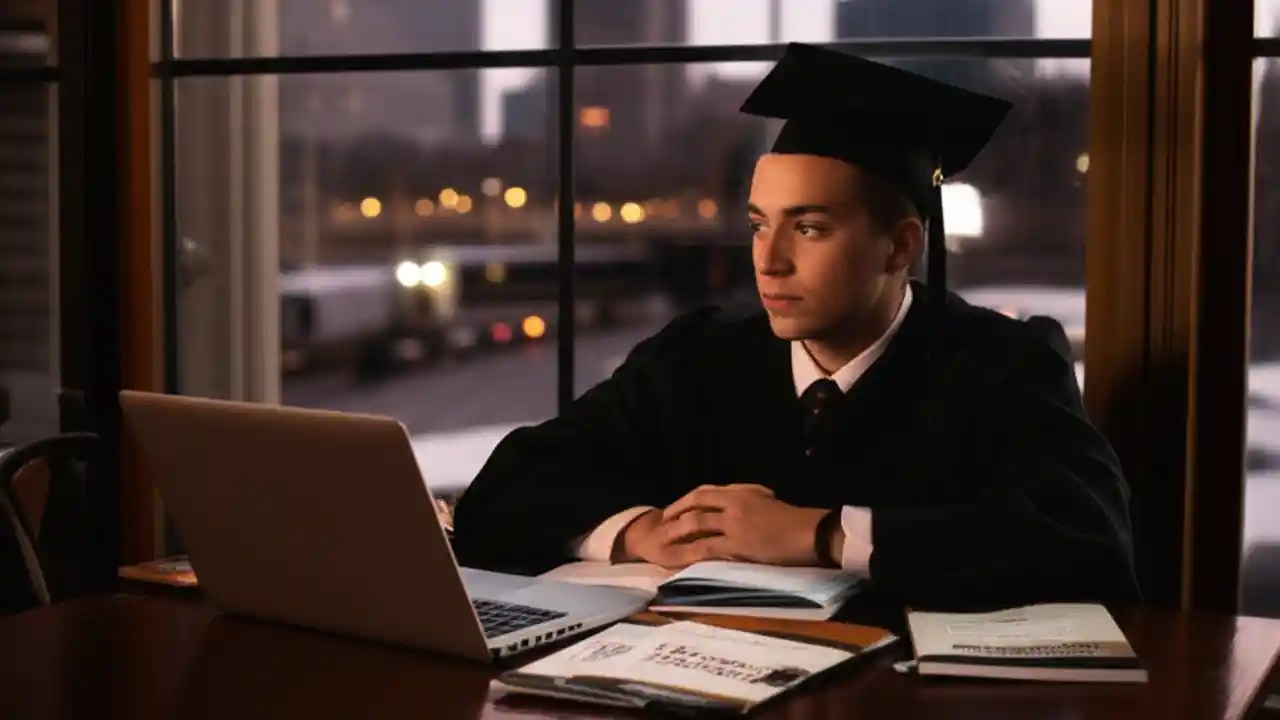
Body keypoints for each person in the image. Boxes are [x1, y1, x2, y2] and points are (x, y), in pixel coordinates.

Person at [452, 43, 1140, 610]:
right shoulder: (696, 357)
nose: (768, 261)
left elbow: (1087, 542)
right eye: (757, 225)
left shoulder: (1002, 364)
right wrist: (641, 533)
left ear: (899, 247)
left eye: (808, 227)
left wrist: (821, 536)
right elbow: (507, 489)